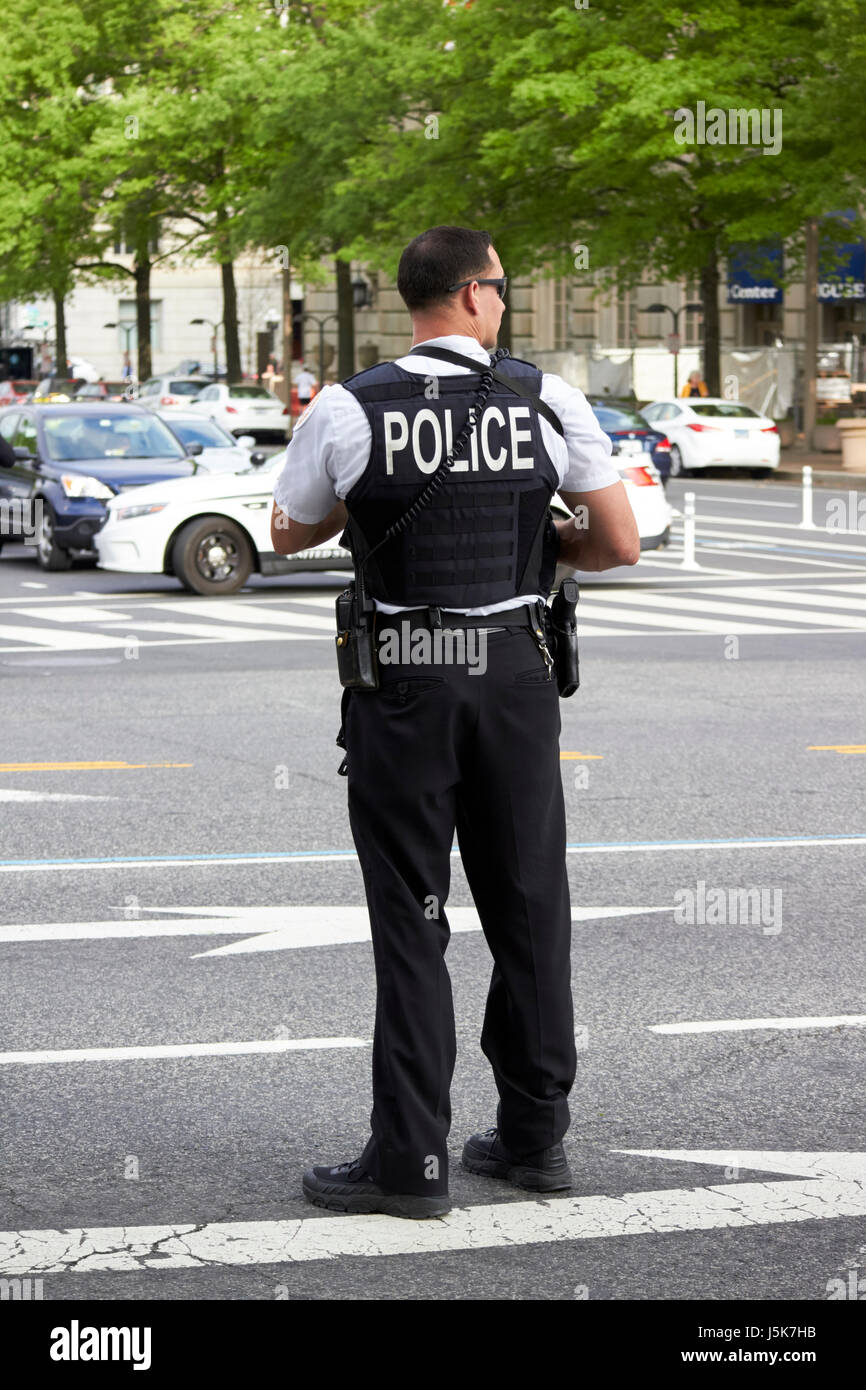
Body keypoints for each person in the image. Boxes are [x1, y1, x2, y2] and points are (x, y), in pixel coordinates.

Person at [269, 226, 639, 1220]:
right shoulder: (544, 398)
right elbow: (615, 542)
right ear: (475, 296)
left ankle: (412, 1164)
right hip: (512, 670)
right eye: (502, 285)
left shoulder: (348, 405)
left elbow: (289, 529)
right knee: (527, 909)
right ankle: (532, 1140)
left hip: (406, 676)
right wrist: (536, 538)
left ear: (411, 302)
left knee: (412, 922)